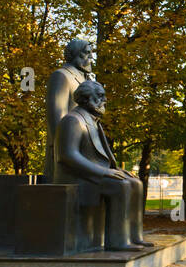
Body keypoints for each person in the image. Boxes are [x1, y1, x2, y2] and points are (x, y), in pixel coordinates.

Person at [55, 79, 148, 250]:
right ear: (86, 98)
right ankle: (118, 242)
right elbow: (68, 156)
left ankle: (135, 237)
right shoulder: (73, 120)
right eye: (100, 96)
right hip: (77, 177)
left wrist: (115, 170)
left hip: (92, 175)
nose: (104, 100)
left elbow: (100, 155)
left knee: (136, 183)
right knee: (121, 186)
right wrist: (104, 173)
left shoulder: (93, 121)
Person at [44, 38, 95, 181]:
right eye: (86, 53)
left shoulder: (86, 80)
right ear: (74, 54)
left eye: (91, 53)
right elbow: (56, 118)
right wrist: (62, 149)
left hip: (84, 148)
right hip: (68, 150)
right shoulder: (61, 75)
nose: (91, 57)